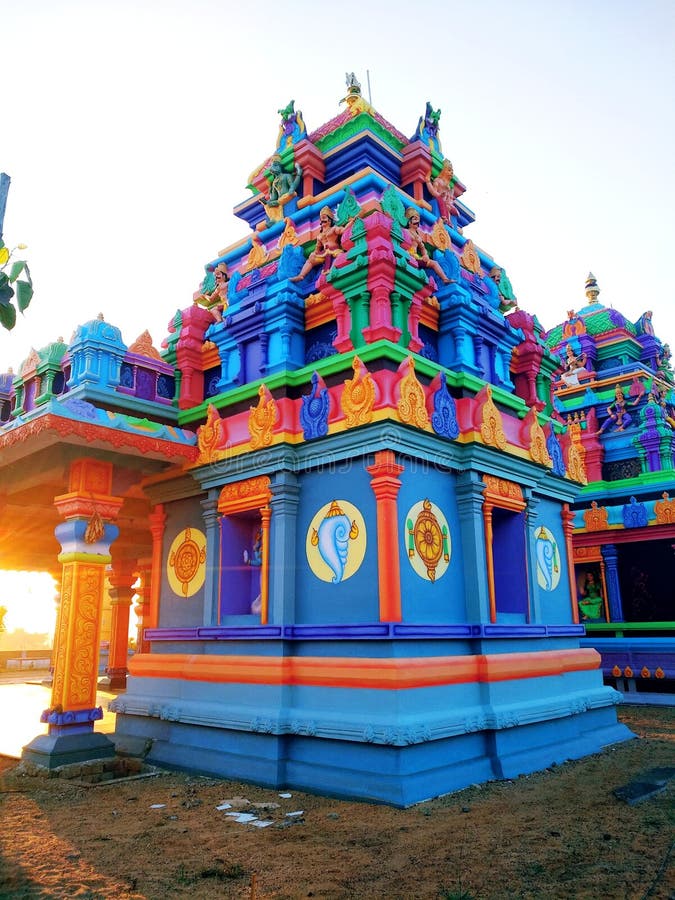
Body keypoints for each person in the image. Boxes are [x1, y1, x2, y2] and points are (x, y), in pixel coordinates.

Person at [290, 206, 349, 282]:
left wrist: (351, 221)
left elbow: (344, 230)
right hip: (324, 253)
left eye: (324, 218)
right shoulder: (319, 236)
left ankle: (332, 271)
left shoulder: (334, 229)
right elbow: (317, 249)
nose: (322, 220)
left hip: (334, 250)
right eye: (321, 218)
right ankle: (301, 276)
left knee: (341, 255)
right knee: (311, 258)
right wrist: (314, 254)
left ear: (330, 220)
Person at [405, 208, 451, 284]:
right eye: (415, 219)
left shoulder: (418, 237)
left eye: (418, 219)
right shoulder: (405, 231)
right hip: (408, 254)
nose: (417, 221)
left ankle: (445, 279)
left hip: (416, 257)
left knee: (434, 263)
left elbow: (423, 248)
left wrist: (425, 255)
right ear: (409, 221)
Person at [260, 156, 302, 223]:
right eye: (273, 166)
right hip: (280, 200)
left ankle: (276, 219)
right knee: (267, 206)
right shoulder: (274, 182)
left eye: (276, 165)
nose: (273, 168)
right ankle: (274, 220)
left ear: (280, 167)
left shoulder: (286, 176)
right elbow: (274, 197)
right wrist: (266, 202)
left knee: (284, 198)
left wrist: (299, 173)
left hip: (288, 196)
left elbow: (292, 186)